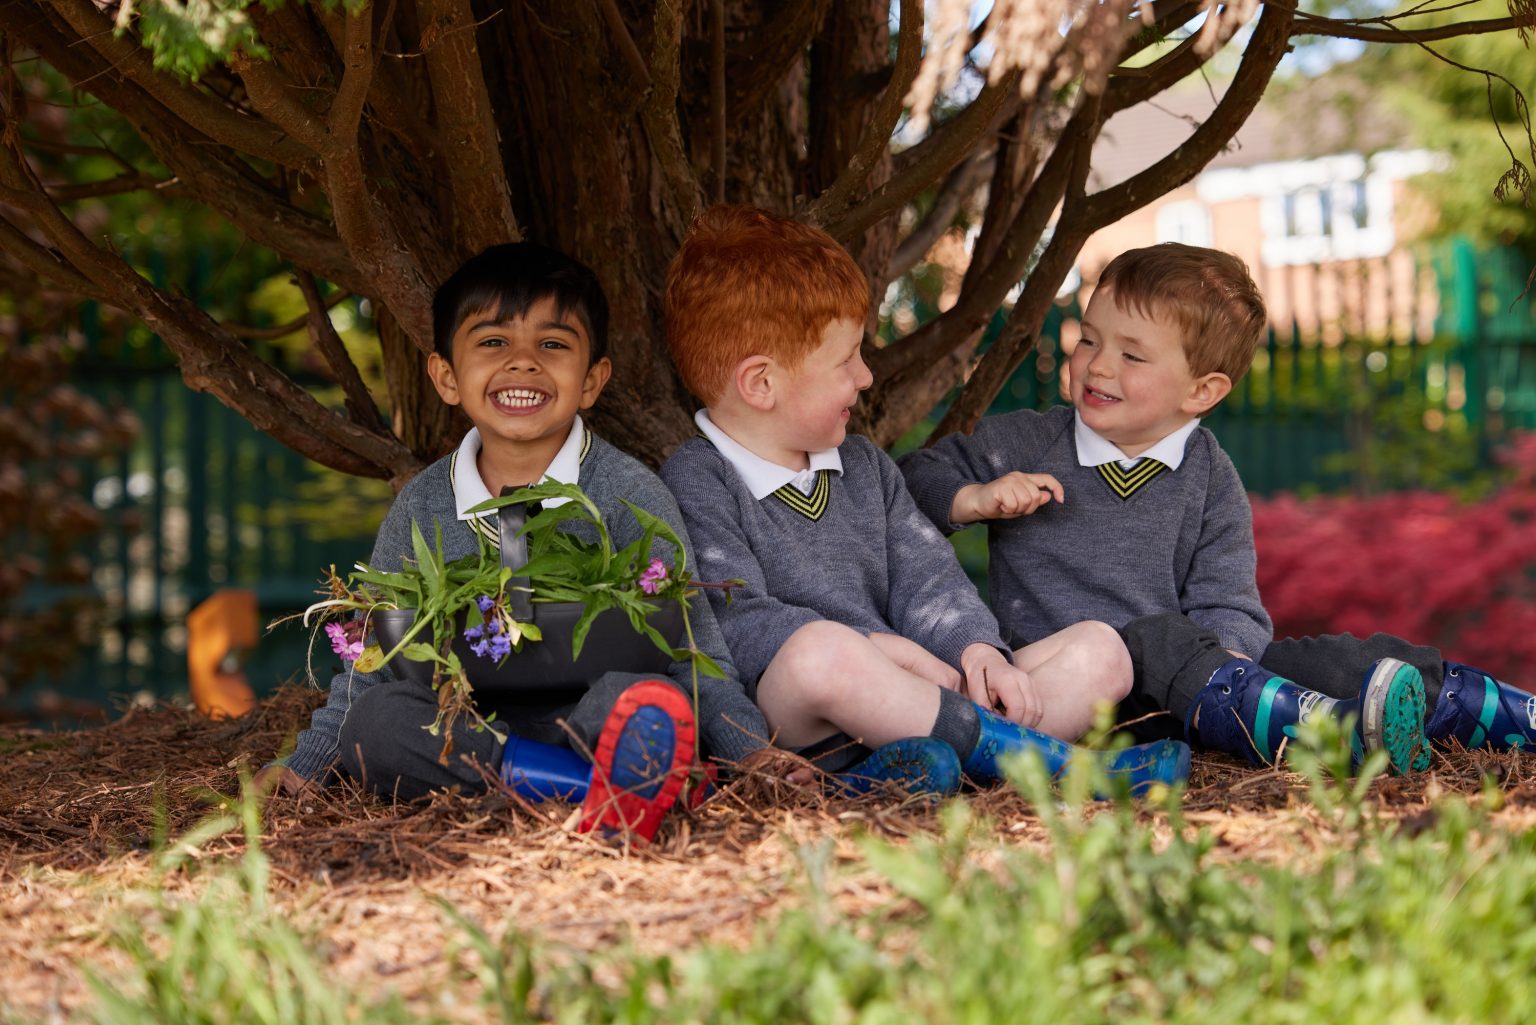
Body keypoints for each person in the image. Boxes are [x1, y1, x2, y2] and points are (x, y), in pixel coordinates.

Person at [259, 243, 954, 841]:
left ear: (593, 379)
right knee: (377, 719)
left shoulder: (626, 493)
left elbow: (695, 645)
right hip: (471, 730)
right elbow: (373, 659)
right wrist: (306, 765)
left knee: (648, 696)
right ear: (445, 376)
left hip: (599, 719)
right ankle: (589, 791)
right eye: (493, 342)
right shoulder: (424, 505)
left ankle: (609, 781)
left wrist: (751, 753)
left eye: (553, 345)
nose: (523, 364)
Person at [900, 241, 1536, 773]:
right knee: (1154, 639)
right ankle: (1327, 736)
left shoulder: (1208, 477)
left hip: (1189, 689)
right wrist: (972, 498)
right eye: (1089, 340)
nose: (1098, 366)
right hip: (1073, 685)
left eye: (1131, 354)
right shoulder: (1023, 442)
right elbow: (912, 480)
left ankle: (1487, 708)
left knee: (1335, 658)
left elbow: (1230, 602)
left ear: (1201, 391)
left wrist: (1224, 661)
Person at [658, 205, 1191, 794]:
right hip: (809, 720)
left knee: (1102, 649)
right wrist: (873, 647)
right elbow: (730, 621)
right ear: (761, 383)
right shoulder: (699, 479)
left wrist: (978, 650)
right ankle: (1059, 768)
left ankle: (930, 766)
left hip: (920, 696)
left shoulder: (863, 465)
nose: (865, 376)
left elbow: (927, 576)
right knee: (819, 652)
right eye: (846, 359)